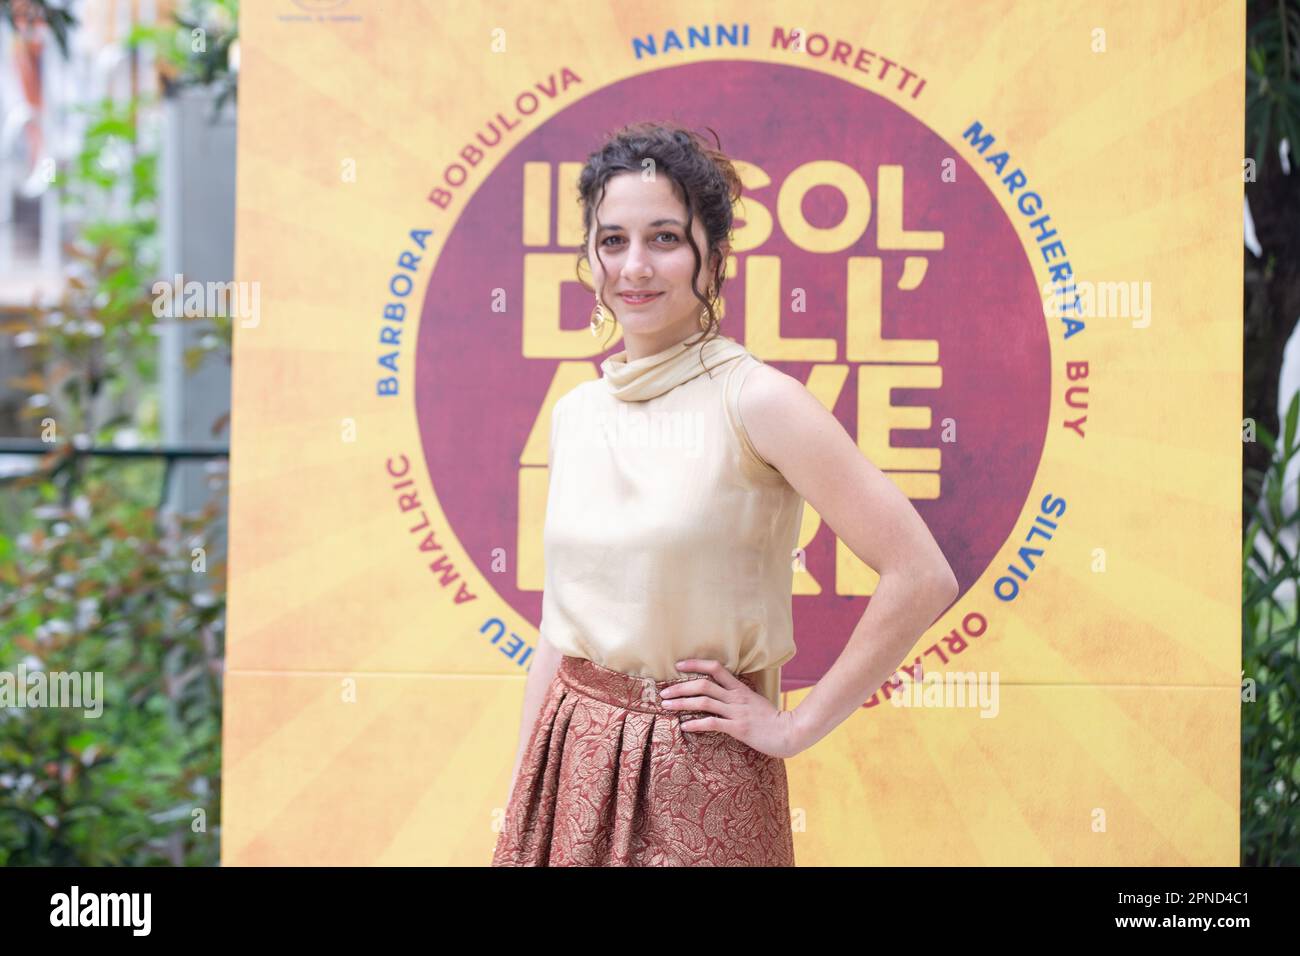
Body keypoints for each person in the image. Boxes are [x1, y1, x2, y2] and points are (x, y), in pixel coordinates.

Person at [491, 121, 958, 867]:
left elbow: (921, 573)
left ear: (714, 254)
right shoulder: (576, 413)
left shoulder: (759, 402)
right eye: (612, 241)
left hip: (699, 777)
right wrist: (523, 799)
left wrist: (793, 727)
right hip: (568, 759)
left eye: (665, 238)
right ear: (589, 256)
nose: (635, 266)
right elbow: (561, 623)